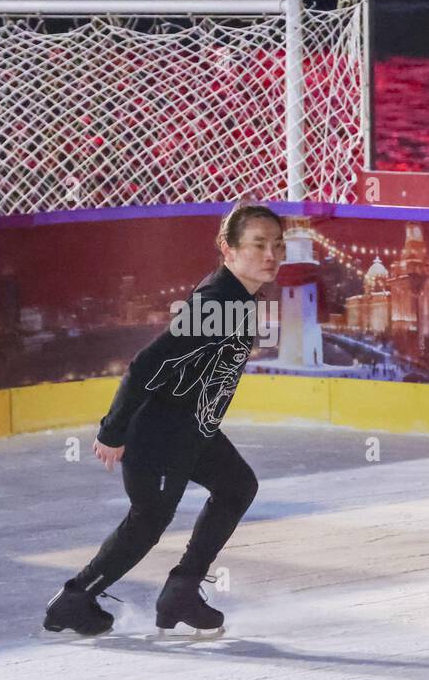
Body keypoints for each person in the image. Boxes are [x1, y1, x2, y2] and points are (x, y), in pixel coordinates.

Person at [43, 200, 284, 636]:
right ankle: (75, 600)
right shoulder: (218, 304)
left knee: (236, 486)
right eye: (258, 245)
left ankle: (182, 591)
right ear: (228, 250)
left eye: (277, 245)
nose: (271, 255)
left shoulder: (239, 298)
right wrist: (113, 430)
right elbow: (145, 365)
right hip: (159, 432)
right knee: (149, 521)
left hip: (193, 428)